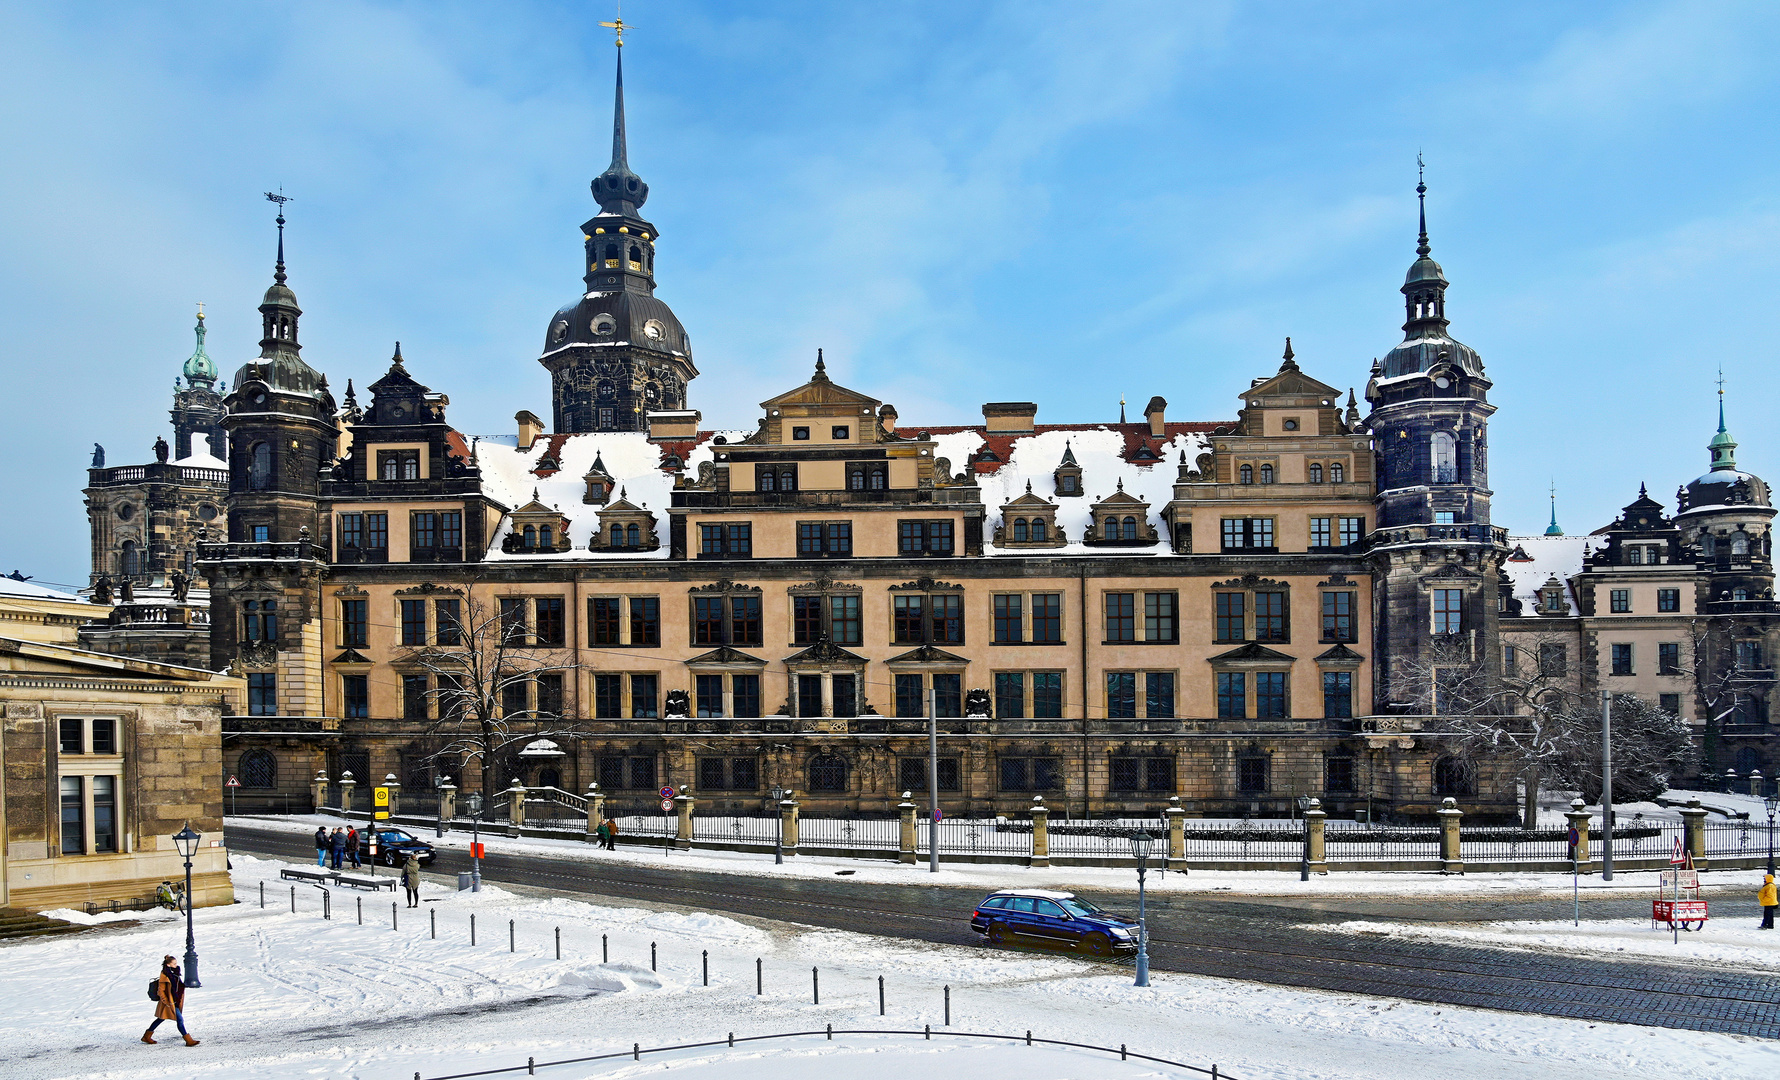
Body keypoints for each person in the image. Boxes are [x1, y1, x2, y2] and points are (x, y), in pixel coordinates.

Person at [142, 955, 198, 1046]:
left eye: (176, 963)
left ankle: (146, 1036)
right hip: (169, 1003)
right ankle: (188, 1040)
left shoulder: (175, 973)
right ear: (168, 965)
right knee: (179, 1020)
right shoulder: (165, 975)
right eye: (174, 963)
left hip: (175, 1001)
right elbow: (161, 991)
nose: (176, 965)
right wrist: (167, 1002)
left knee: (160, 1019)